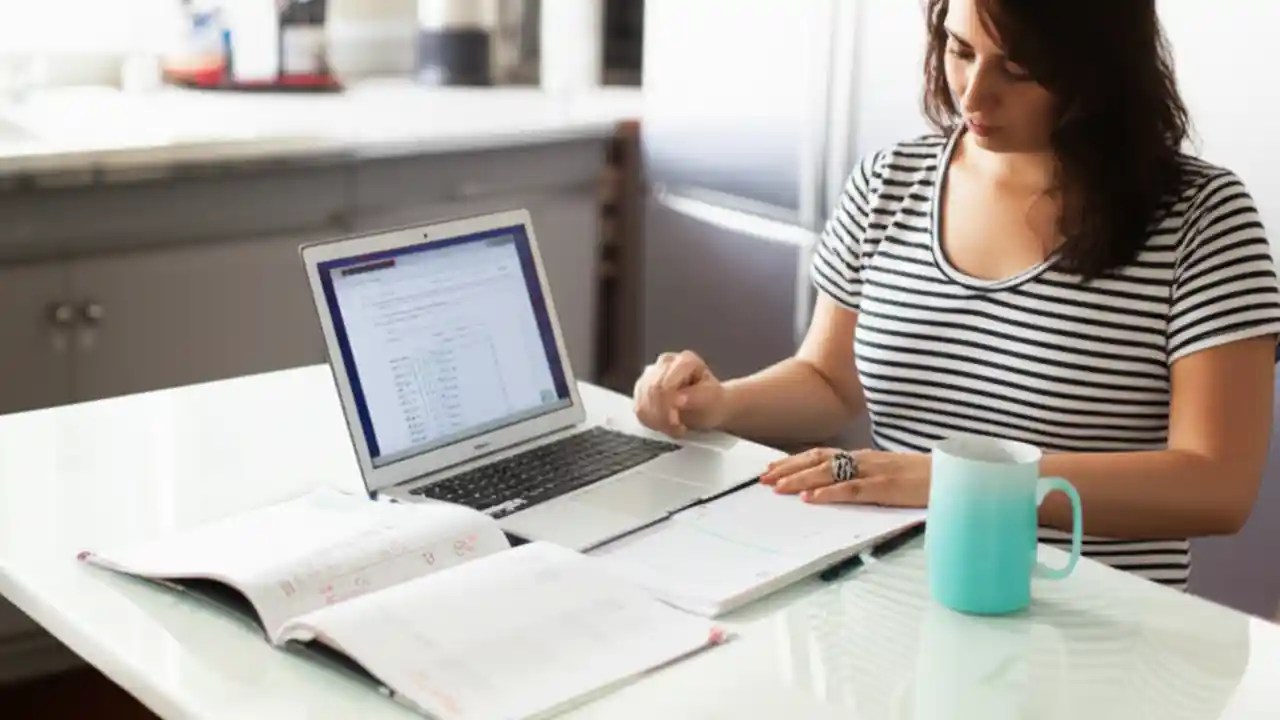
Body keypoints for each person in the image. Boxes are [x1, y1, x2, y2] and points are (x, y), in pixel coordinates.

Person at [631, 0, 1280, 590]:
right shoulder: (892, 181)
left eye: (1019, 69)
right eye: (959, 49)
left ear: (1101, 71)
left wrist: (959, 484)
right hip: (894, 590)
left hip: (1091, 617)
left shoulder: (1202, 218)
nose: (972, 93)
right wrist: (721, 404)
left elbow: (1216, 485)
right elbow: (829, 381)